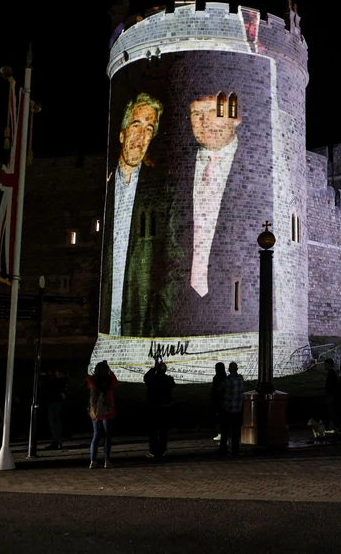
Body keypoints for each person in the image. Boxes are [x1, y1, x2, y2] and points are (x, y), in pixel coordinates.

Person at [160, 91, 274, 336]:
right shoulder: (172, 171)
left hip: (236, 308)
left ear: (236, 116)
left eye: (214, 112)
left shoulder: (262, 168)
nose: (204, 122)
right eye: (196, 114)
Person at [98, 92, 166, 338]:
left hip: (140, 321)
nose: (140, 136)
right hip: (103, 316)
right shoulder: (102, 190)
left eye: (149, 129)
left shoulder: (160, 192)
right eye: (136, 125)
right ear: (122, 133)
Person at [87, 361, 119, 468]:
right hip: (107, 410)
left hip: (95, 411)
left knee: (96, 434)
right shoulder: (109, 380)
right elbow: (115, 383)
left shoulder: (92, 380)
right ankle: (107, 460)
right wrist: (110, 371)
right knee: (107, 435)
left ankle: (93, 461)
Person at [143, 359, 175, 458]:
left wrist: (154, 368)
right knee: (163, 431)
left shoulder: (152, 379)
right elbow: (173, 385)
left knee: (153, 431)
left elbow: (146, 377)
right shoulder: (168, 380)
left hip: (153, 408)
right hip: (165, 408)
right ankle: (161, 450)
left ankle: (153, 451)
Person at [218, 362, 245, 457]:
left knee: (225, 431)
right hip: (238, 408)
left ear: (229, 370)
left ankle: (223, 449)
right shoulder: (240, 379)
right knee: (236, 431)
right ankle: (235, 450)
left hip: (228, 408)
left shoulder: (227, 380)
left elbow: (219, 389)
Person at [43, 368, 69, 450]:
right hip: (55, 402)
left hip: (56, 403)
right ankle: (57, 440)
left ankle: (57, 441)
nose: (56, 372)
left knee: (55, 422)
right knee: (55, 422)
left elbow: (60, 391)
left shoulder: (60, 381)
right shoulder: (60, 381)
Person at [210, 362, 226, 441]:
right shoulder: (225, 377)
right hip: (225, 401)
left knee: (219, 418)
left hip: (218, 401)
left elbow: (215, 390)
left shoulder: (216, 378)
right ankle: (223, 434)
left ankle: (220, 434)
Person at [324, 358, 339, 432]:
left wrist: (331, 395)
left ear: (329, 365)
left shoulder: (331, 373)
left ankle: (334, 426)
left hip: (332, 395)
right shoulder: (332, 373)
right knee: (332, 411)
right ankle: (334, 425)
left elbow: (332, 385)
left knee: (333, 411)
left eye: (326, 364)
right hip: (332, 395)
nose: (324, 366)